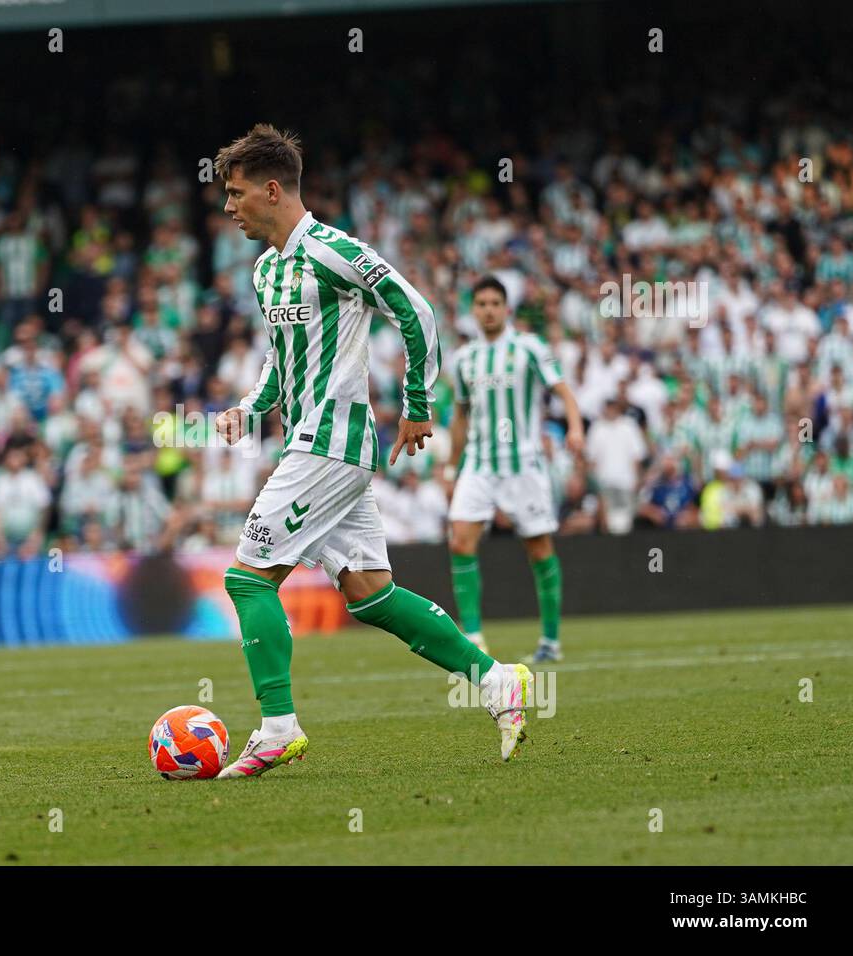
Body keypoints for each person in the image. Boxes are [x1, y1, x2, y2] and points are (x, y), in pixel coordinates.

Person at [210, 124, 533, 779]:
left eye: (237, 192)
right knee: (368, 594)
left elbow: (416, 311)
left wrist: (418, 402)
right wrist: (249, 404)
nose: (228, 206)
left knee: (247, 576)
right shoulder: (267, 270)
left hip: (333, 441)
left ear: (273, 190)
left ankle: (277, 727)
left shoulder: (333, 251)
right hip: (311, 442)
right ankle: (500, 682)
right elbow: (282, 358)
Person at [444, 275, 585, 663]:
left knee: (538, 548)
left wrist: (574, 428)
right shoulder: (464, 359)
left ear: (506, 309)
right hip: (478, 462)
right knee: (460, 541)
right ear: (473, 310)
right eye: (481, 303)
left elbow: (563, 391)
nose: (488, 310)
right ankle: (473, 637)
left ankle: (551, 642)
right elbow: (460, 415)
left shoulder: (529, 348)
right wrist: (450, 467)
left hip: (523, 463)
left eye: (495, 303)